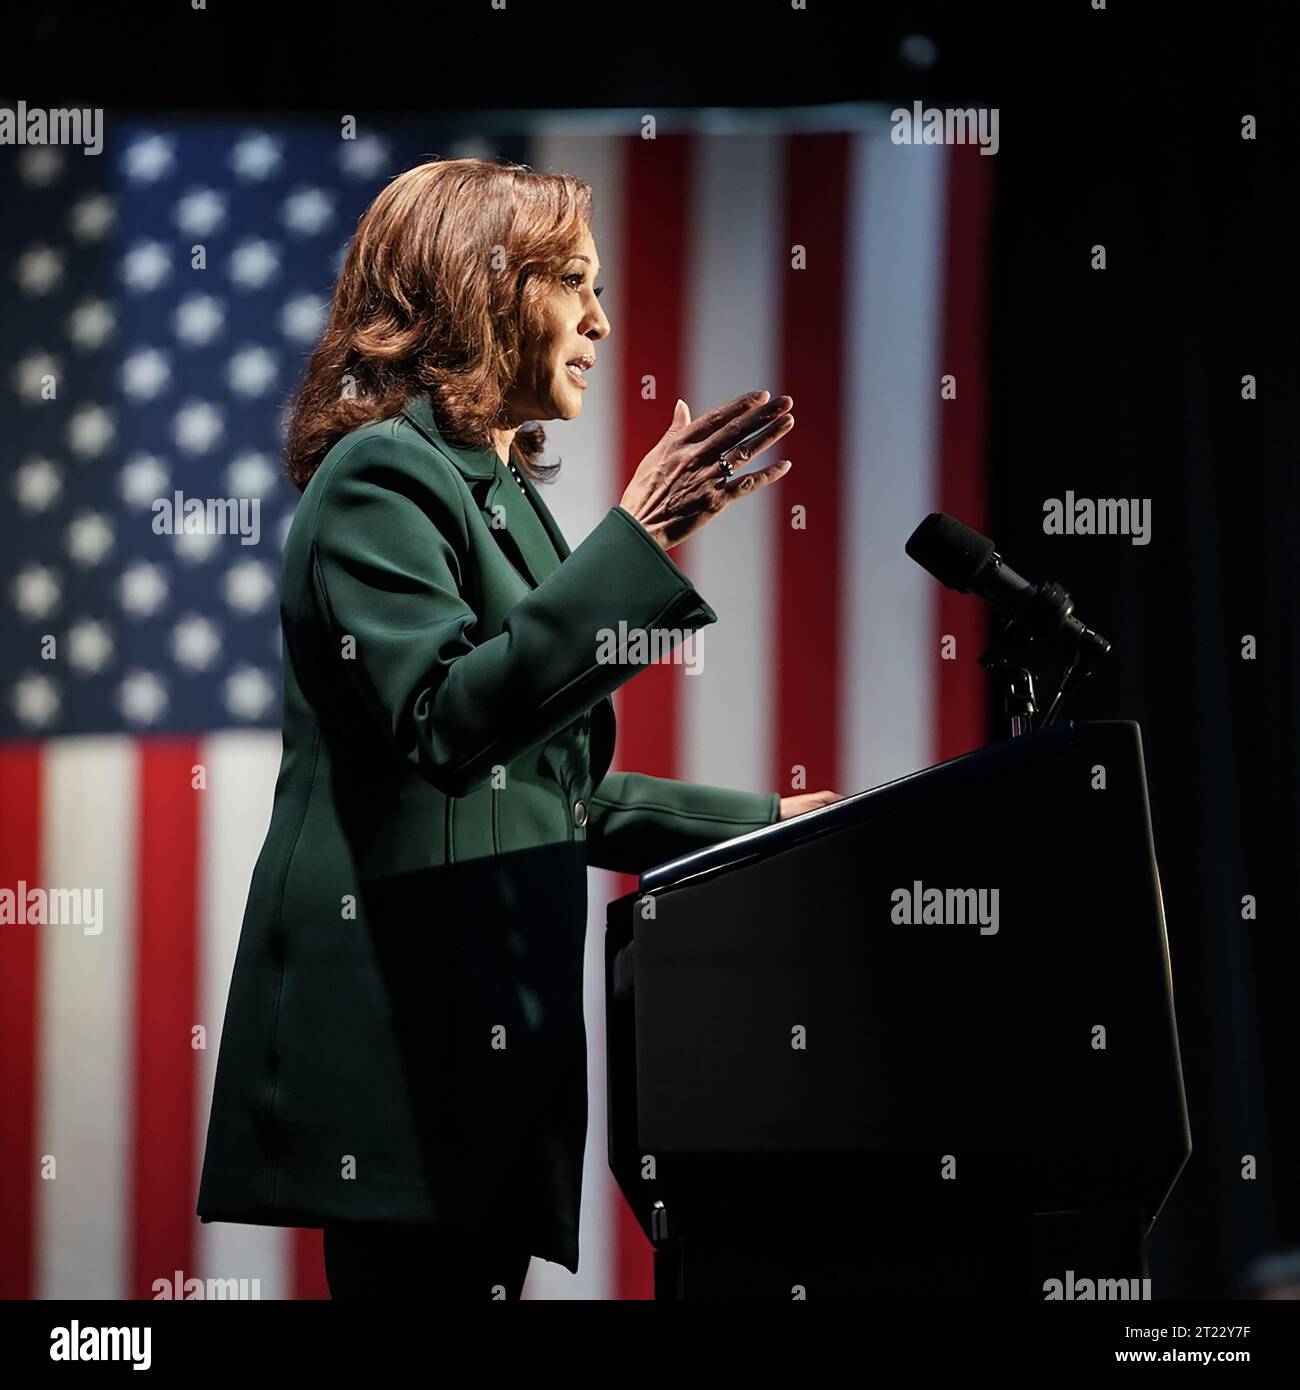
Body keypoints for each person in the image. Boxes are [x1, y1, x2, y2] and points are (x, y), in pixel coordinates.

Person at [195, 157, 840, 1299]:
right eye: (573, 283)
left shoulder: (502, 502)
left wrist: (769, 825)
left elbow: (554, 793)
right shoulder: (376, 479)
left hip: (488, 1050)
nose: (599, 320)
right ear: (477, 286)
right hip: (408, 1049)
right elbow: (447, 722)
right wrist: (636, 540)